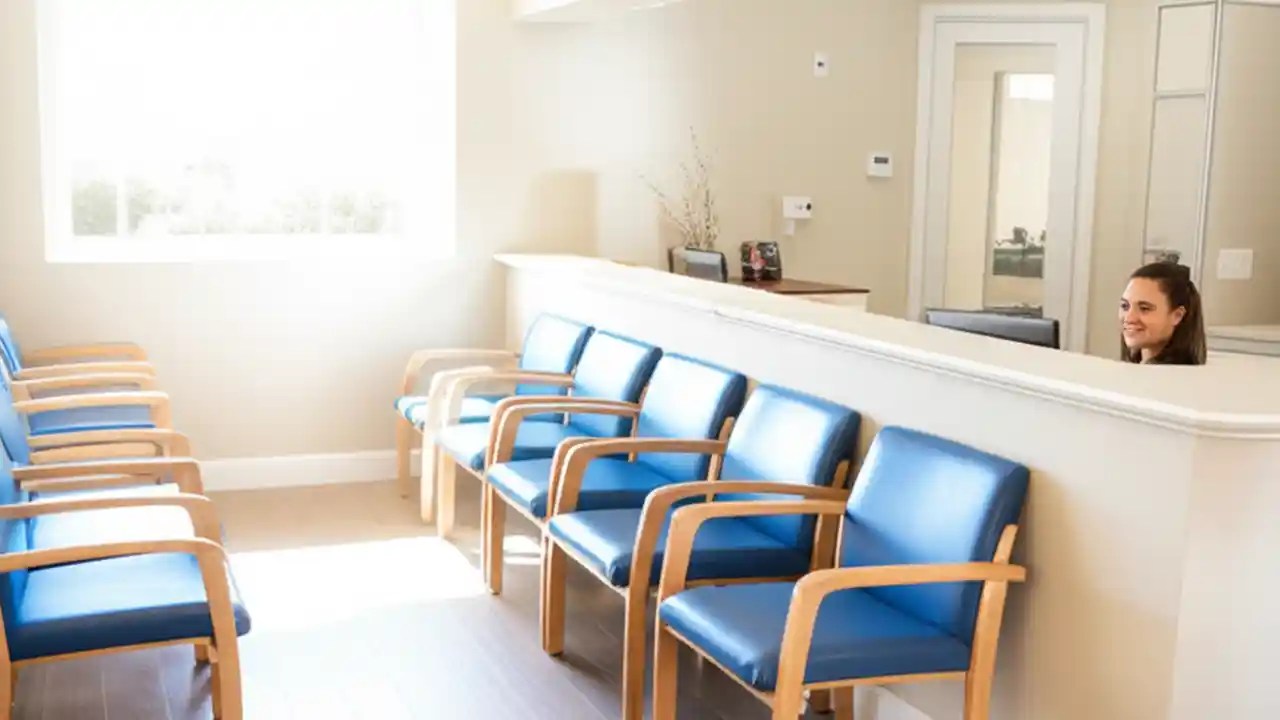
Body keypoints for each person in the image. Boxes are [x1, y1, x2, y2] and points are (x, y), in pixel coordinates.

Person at [1119, 261, 1206, 365]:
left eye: (1144, 308)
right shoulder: (1134, 371)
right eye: (1125, 306)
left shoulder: (1176, 379)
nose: (1129, 318)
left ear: (1177, 315)